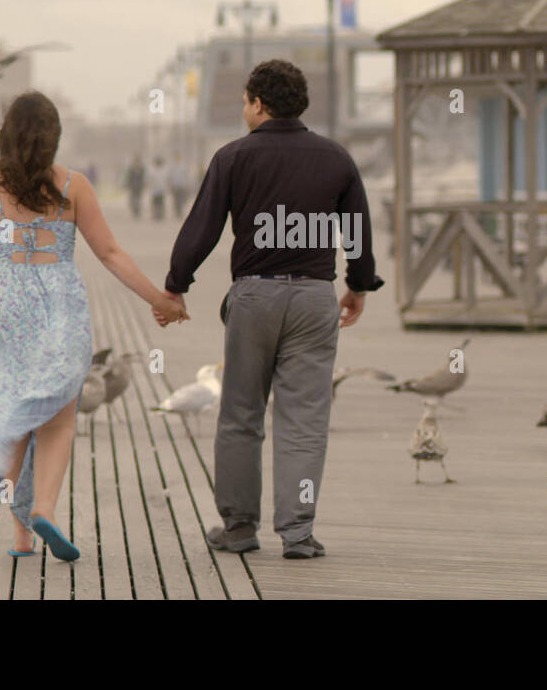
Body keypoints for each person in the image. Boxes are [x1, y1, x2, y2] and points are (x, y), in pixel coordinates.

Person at [0, 91, 187, 562]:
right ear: (54, 139)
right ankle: (46, 509)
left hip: (2, 301)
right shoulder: (74, 187)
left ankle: (20, 539)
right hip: (57, 302)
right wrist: (160, 299)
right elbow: (110, 254)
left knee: (17, 413)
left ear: (5, 136)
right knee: (58, 416)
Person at [159, 59, 384, 560]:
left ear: (259, 104)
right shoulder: (336, 159)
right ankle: (298, 532)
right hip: (313, 297)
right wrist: (359, 285)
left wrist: (177, 285)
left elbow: (202, 228)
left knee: (240, 414)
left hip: (255, 296)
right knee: (304, 419)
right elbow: (359, 234)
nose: (243, 108)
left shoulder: (233, 158)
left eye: (245, 100)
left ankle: (239, 527)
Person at [168, 151, 191, 219]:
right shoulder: (173, 166)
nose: (177, 158)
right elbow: (171, 176)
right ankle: (177, 211)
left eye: (178, 157)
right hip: (175, 186)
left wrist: (186, 184)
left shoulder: (183, 166)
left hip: (181, 185)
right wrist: (171, 184)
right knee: (175, 199)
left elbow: (186, 176)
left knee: (181, 199)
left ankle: (180, 211)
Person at [146, 155, 169, 221]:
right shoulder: (152, 170)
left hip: (161, 190)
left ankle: (160, 214)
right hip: (155, 190)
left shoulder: (164, 170)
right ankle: (156, 214)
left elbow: (167, 180)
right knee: (156, 203)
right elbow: (149, 180)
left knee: (160, 203)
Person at [123, 155, 145, 219]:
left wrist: (143, 185)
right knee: (133, 200)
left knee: (138, 199)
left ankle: (137, 211)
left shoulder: (142, 169)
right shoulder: (131, 169)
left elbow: (143, 178)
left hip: (139, 187)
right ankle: (134, 210)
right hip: (132, 187)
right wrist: (128, 185)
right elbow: (128, 178)